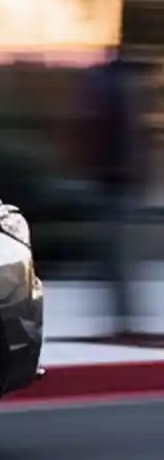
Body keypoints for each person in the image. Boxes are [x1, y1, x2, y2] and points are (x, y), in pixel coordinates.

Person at [82, 46, 147, 337]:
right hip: (117, 179)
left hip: (113, 180)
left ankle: (124, 320)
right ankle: (124, 319)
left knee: (116, 256)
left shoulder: (112, 87)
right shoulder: (121, 88)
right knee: (117, 256)